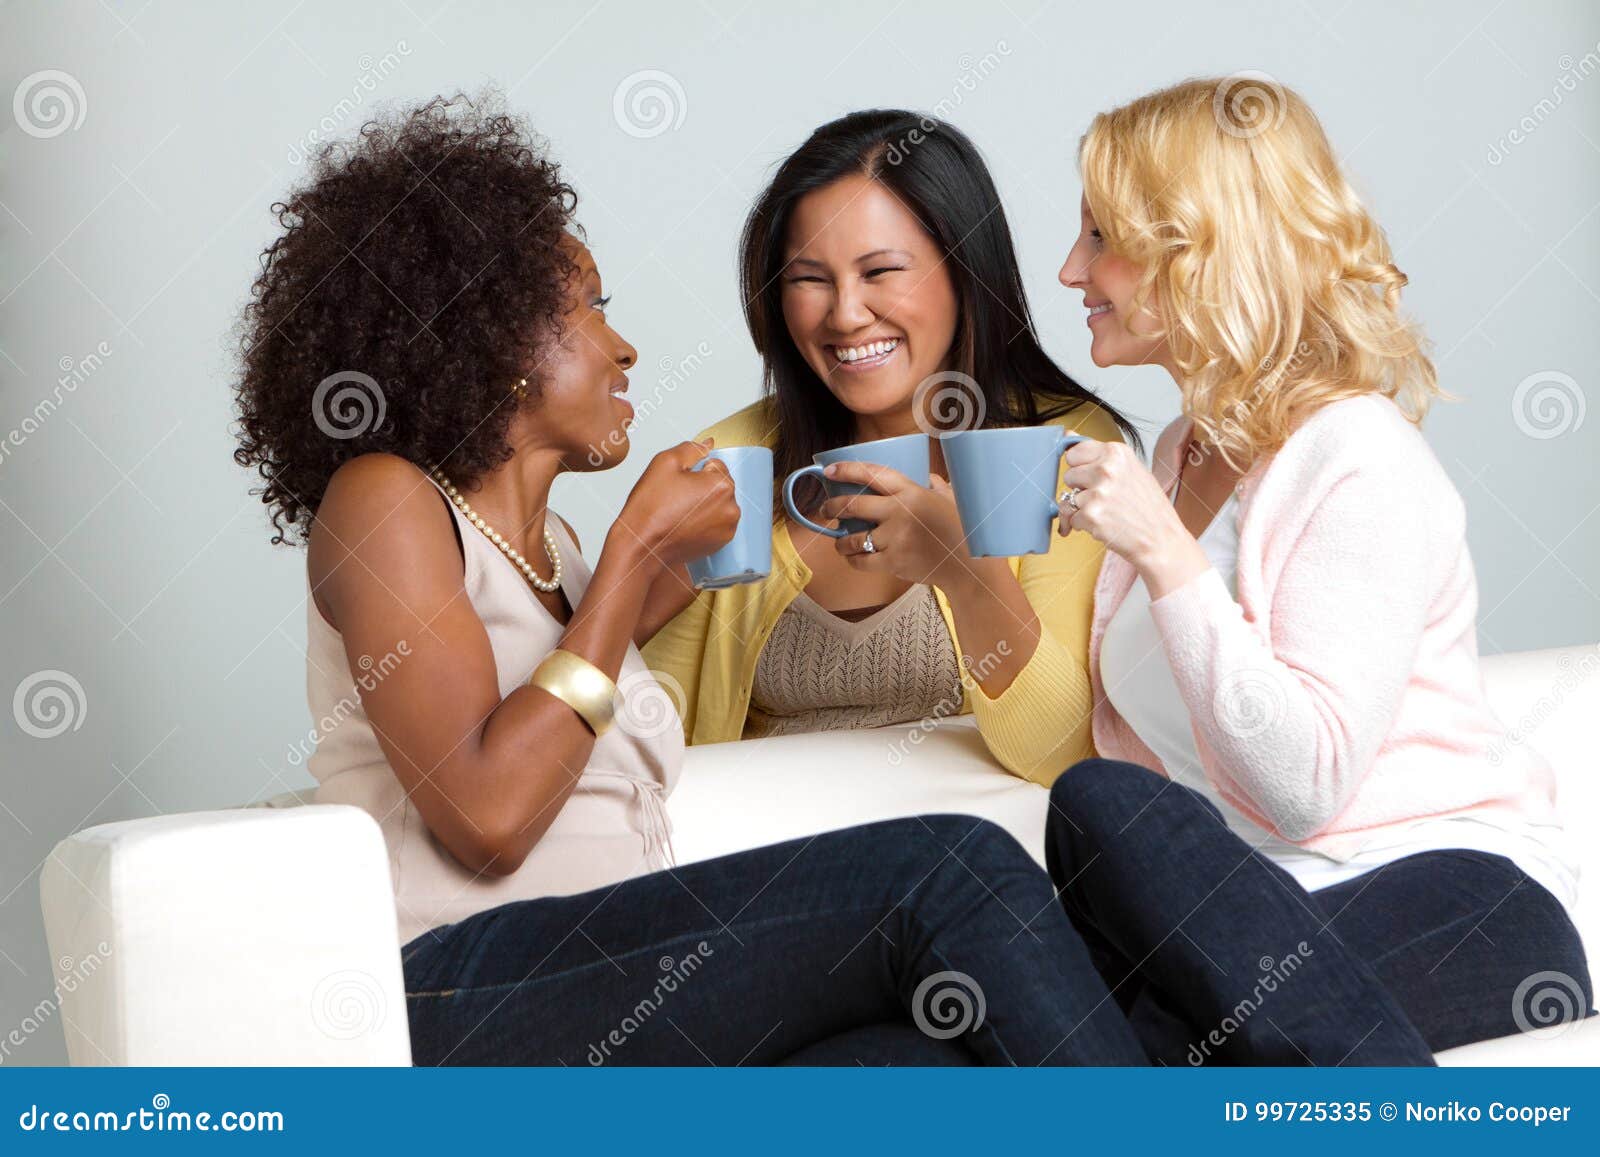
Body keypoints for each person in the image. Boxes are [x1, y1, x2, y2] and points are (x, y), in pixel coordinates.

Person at [232, 92, 1149, 1067]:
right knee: (948, 868)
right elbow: (489, 816)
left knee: (905, 1052)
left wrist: (643, 571)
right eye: (588, 310)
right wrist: (635, 559)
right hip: (464, 987)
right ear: (493, 338)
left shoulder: (558, 558)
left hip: (619, 961)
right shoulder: (385, 500)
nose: (623, 346)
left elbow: (579, 722)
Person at [1043, 77, 1590, 1063]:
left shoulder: (1356, 452)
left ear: (1197, 249)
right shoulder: (1174, 455)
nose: (1068, 271)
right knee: (973, 1020)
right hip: (1252, 911)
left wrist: (1164, 556)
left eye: (1099, 239)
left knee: (1106, 833)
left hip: (1448, 891)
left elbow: (1303, 784)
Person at [643, 110, 1138, 785]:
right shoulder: (733, 459)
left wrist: (966, 571)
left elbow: (1060, 757)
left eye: (880, 271)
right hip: (756, 868)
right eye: (808, 278)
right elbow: (648, 740)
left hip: (970, 871)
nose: (844, 314)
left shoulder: (1063, 451)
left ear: (965, 270)